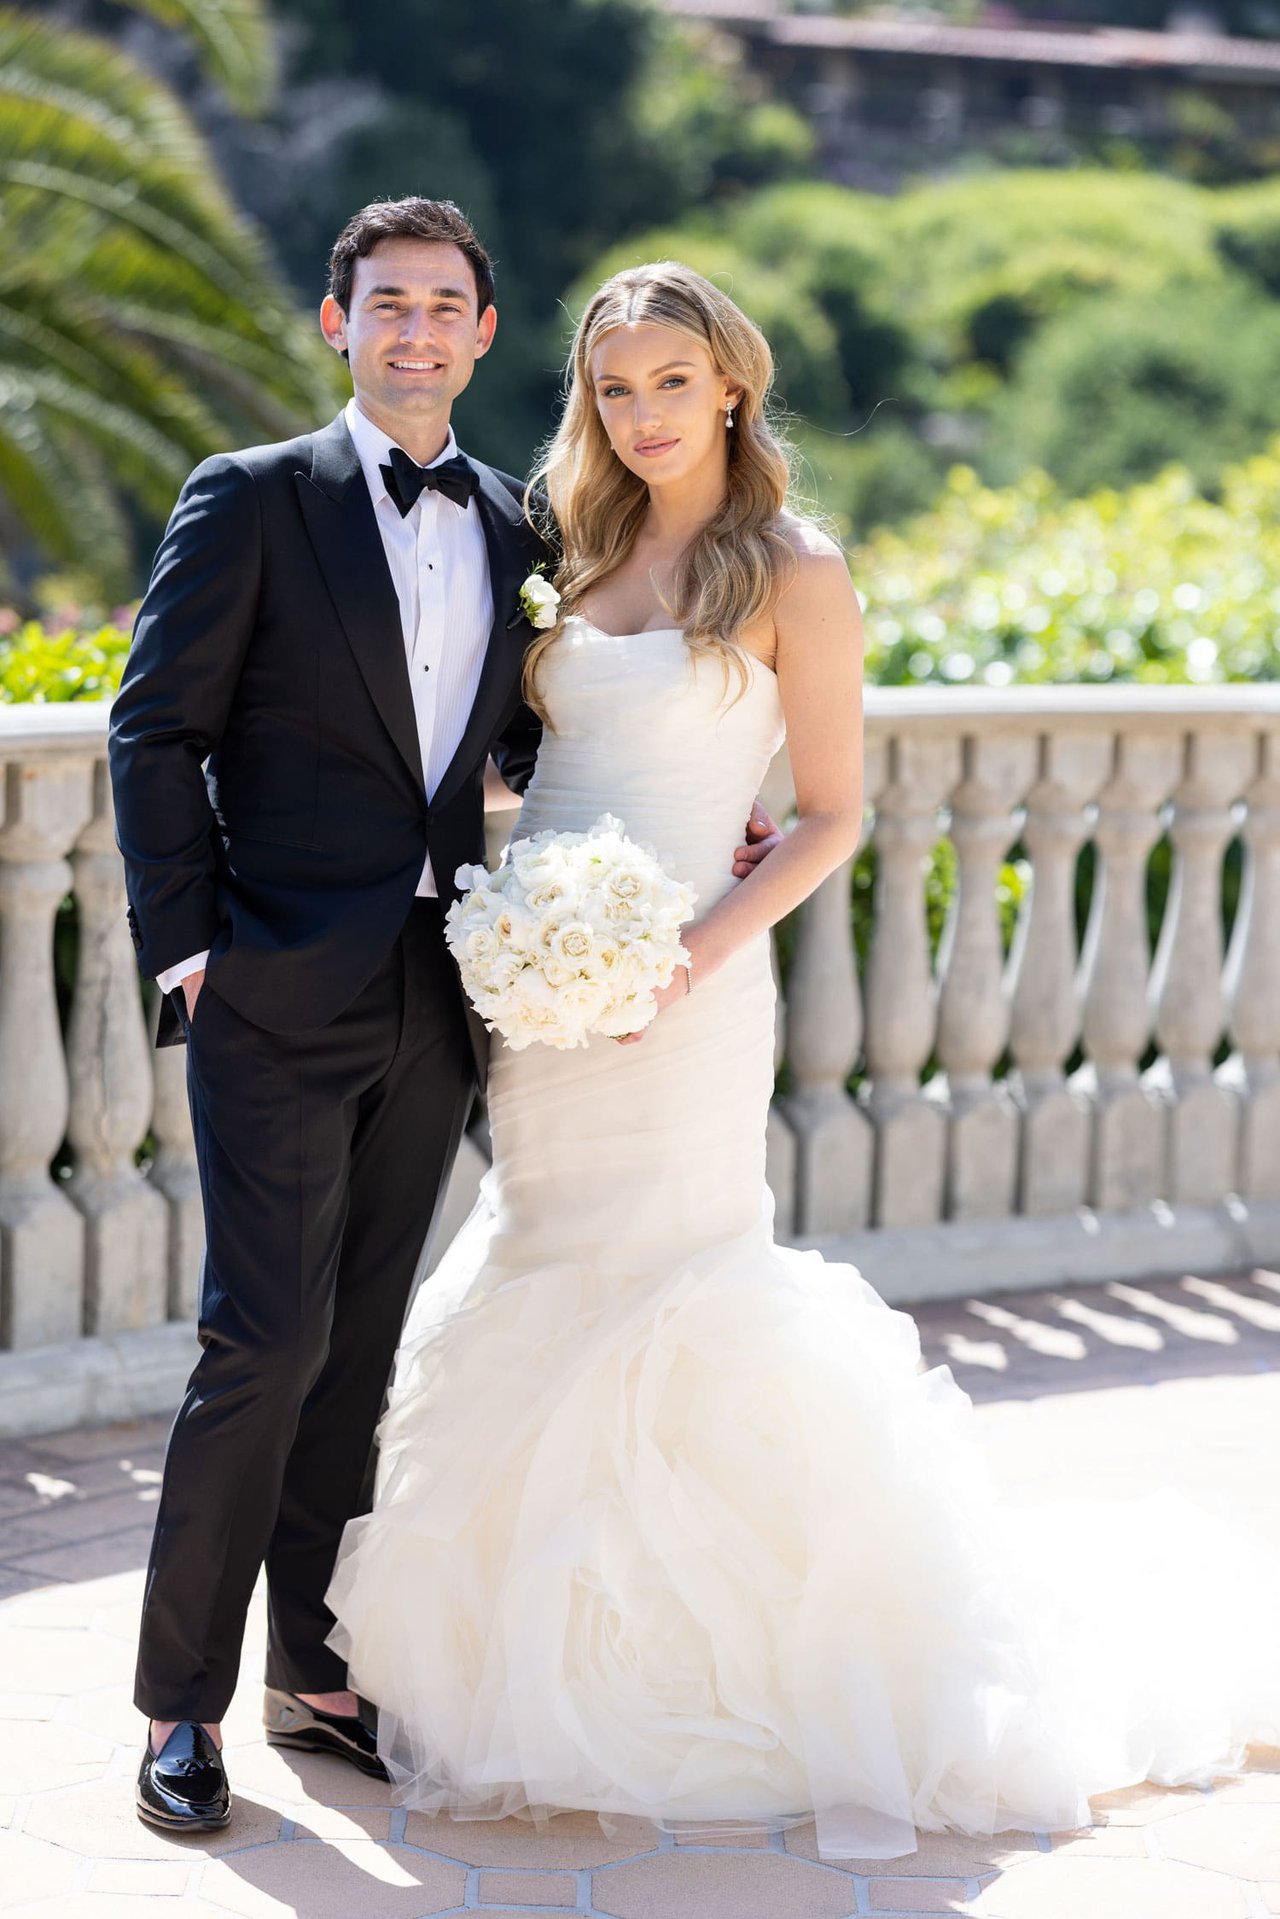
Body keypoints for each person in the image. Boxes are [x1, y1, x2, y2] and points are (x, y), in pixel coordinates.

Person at [326, 260, 1280, 1861]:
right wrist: (525, 918)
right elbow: (532, 764)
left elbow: (831, 814)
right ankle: (539, 1668)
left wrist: (680, 955)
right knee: (542, 1257)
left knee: (679, 1279)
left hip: (687, 992)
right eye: (614, 389)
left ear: (733, 390)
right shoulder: (574, 544)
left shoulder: (792, 566)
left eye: (672, 386)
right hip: (542, 990)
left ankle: (725, 1672)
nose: (641, 417)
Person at [108, 196, 786, 1834]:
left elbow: (534, 742)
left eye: (446, 307)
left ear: (487, 336)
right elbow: (151, 732)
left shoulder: (514, 523)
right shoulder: (250, 500)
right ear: (336, 325)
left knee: (355, 1357)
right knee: (259, 1343)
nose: (416, 331)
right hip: (273, 987)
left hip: (440, 994)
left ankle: (312, 1675)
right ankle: (175, 1709)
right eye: (386, 304)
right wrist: (193, 950)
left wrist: (715, 823)